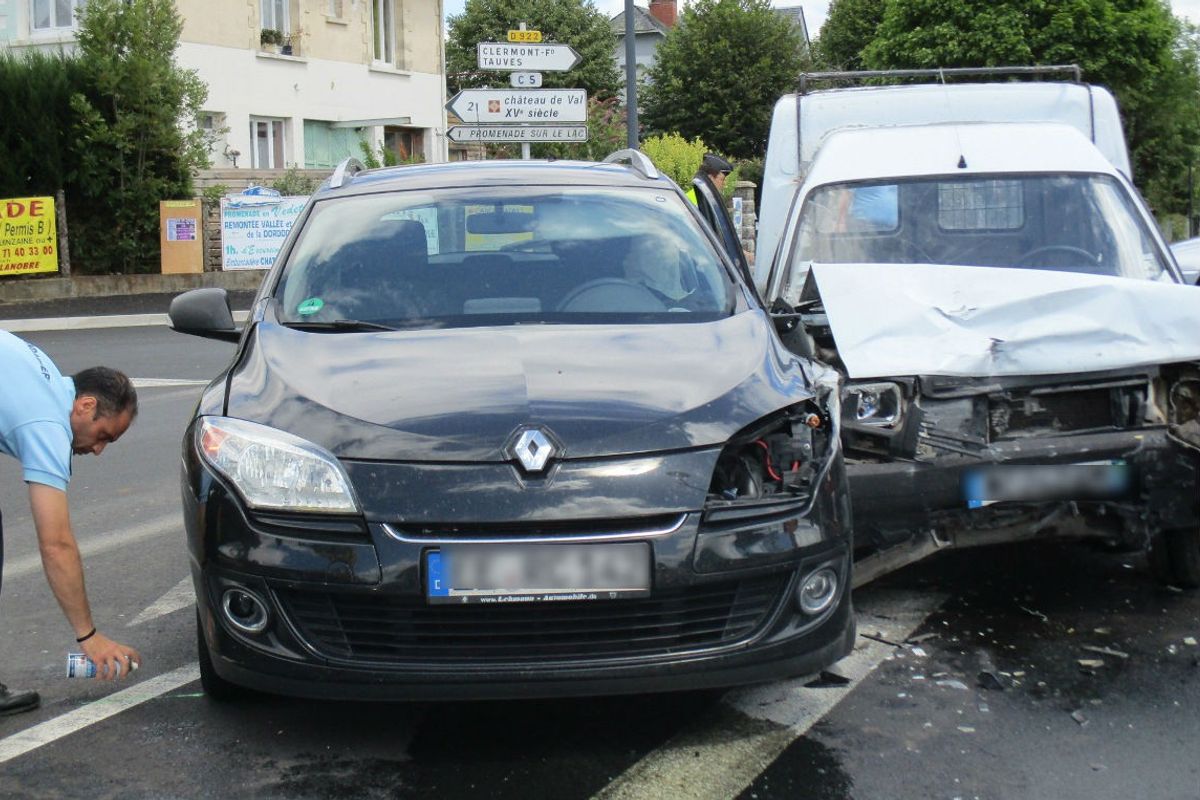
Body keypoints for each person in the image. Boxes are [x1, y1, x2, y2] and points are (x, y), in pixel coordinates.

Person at [0, 331, 142, 715]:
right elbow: (56, 543)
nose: (97, 450)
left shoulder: (46, 375)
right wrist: (89, 636)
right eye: (102, 436)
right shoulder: (49, 422)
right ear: (86, 405)